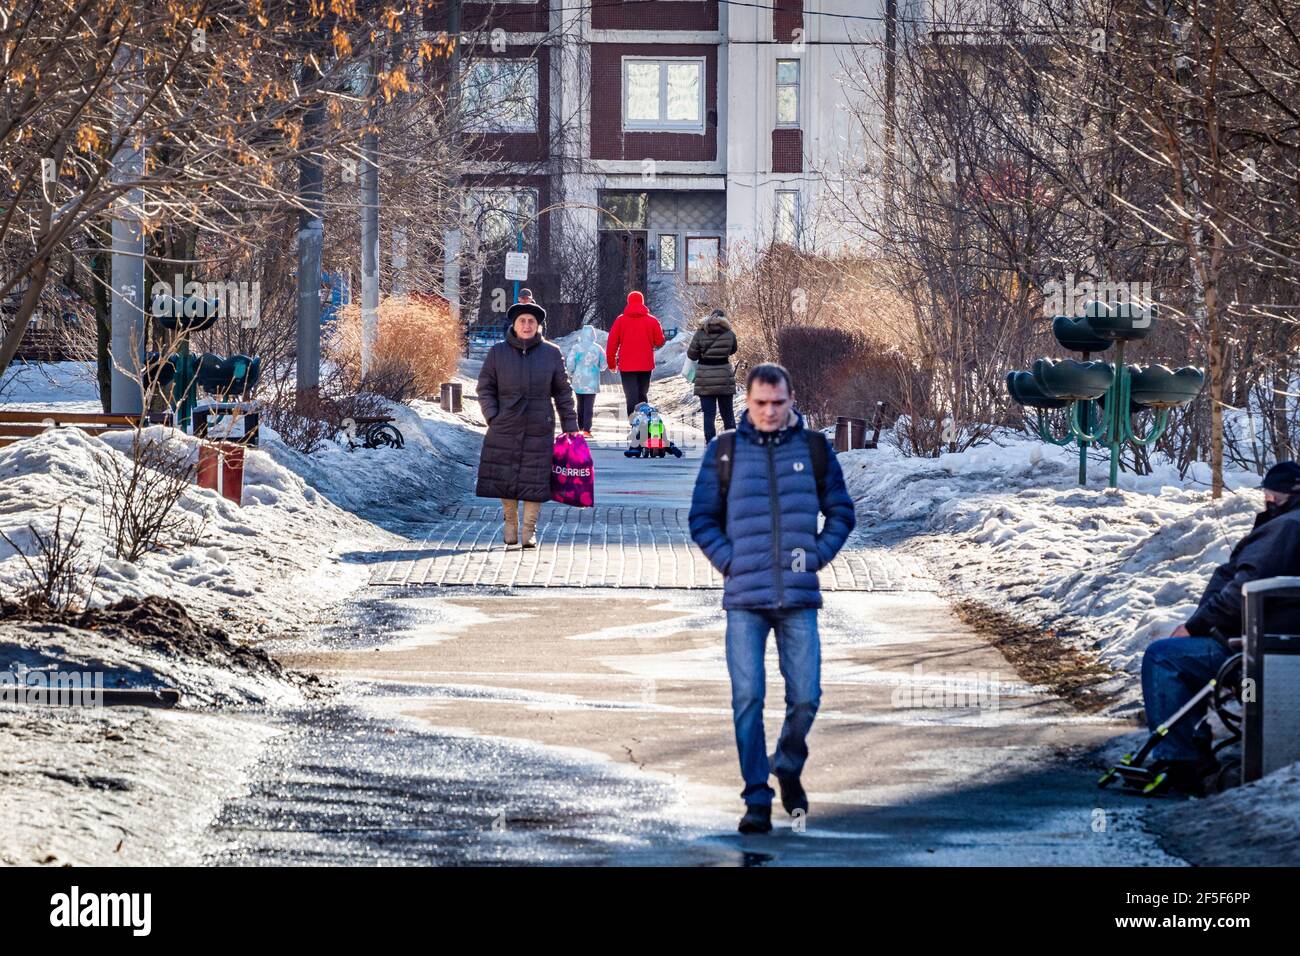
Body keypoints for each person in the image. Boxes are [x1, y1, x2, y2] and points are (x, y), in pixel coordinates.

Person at [688, 363, 857, 834]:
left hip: (798, 598)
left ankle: (787, 761)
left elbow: (842, 511)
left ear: (790, 399)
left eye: (777, 404)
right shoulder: (724, 452)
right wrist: (729, 561)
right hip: (744, 598)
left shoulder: (815, 449)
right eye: (760, 403)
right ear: (747, 401)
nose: (769, 412)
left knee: (806, 696)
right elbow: (702, 518)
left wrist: (818, 555)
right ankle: (756, 796)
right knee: (748, 698)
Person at [1139, 460, 1300, 794]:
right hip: (1270, 637)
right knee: (1180, 657)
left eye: (1273, 493)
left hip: (1263, 644)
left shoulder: (1287, 528)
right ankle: (1194, 748)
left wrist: (1197, 625)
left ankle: (1180, 760)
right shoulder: (1286, 523)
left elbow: (1247, 587)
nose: (1267, 499)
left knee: (1164, 657)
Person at [475, 300, 579, 549]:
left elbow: (563, 392)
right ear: (514, 323)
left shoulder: (551, 353)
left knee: (536, 479)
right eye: (522, 320)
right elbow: (485, 387)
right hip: (504, 425)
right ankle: (510, 523)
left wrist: (570, 425)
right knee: (506, 476)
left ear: (539, 326)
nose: (527, 325)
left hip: (539, 425)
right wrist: (493, 415)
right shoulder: (497, 353)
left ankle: (529, 530)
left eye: (532, 321)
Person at [605, 290, 664, 418]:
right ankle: (644, 420)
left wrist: (611, 363)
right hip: (645, 363)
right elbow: (660, 341)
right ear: (642, 302)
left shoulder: (620, 321)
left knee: (630, 395)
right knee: (642, 394)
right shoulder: (652, 321)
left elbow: (612, 343)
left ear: (628, 302)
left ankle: (634, 421)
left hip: (626, 365)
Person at [687, 308, 738, 442]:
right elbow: (733, 350)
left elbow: (691, 354)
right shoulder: (729, 333)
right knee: (728, 414)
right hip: (724, 376)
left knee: (708, 415)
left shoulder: (700, 333)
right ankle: (732, 441)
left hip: (705, 378)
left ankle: (710, 442)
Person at [565, 324, 606, 437]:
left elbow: (570, 362)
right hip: (592, 382)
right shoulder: (597, 348)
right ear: (593, 335)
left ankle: (580, 427)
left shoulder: (576, 348)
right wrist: (598, 367)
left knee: (580, 405)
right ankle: (587, 429)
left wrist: (571, 372)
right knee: (589, 406)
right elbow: (603, 365)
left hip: (579, 381)